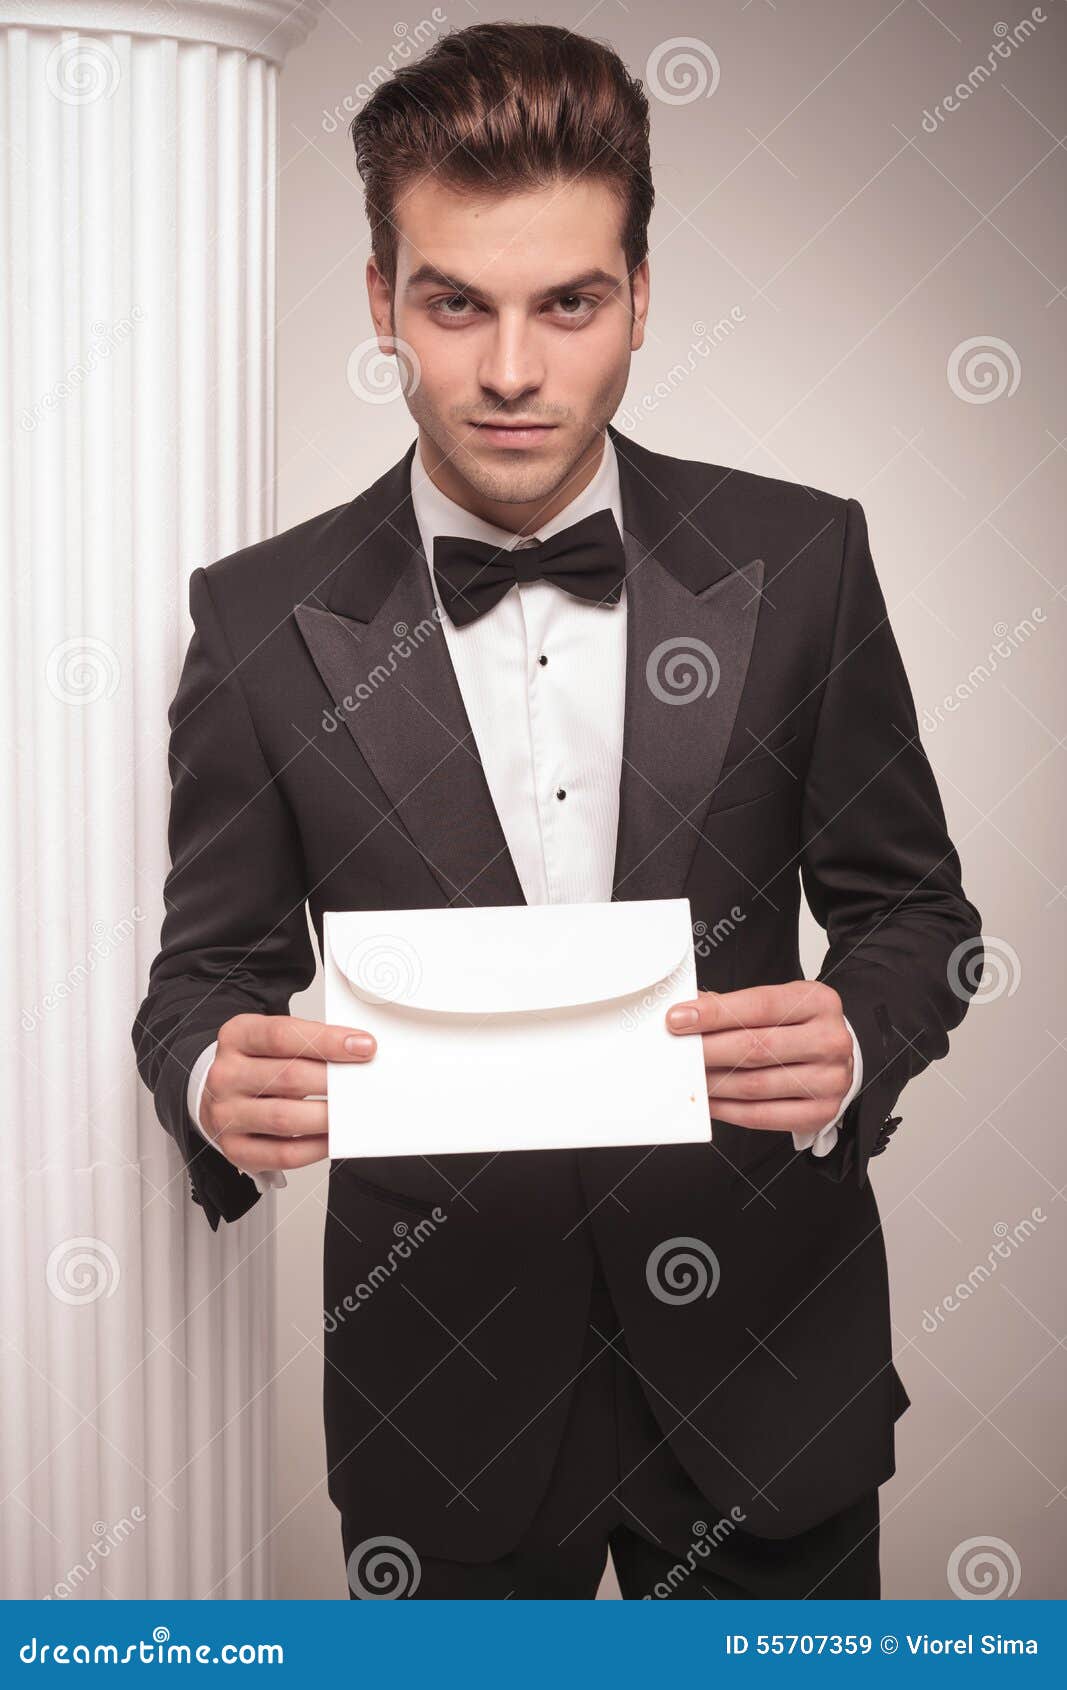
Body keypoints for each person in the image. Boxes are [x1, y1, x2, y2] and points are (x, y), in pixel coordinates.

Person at [132, 21, 983, 1600]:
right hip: (441, 1402)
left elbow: (920, 917)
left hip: (769, 1378)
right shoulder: (255, 624)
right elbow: (203, 978)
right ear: (382, 300)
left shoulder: (805, 561)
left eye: (570, 303)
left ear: (641, 296)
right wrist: (208, 1077)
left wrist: (858, 1035)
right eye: (455, 302)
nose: (512, 371)